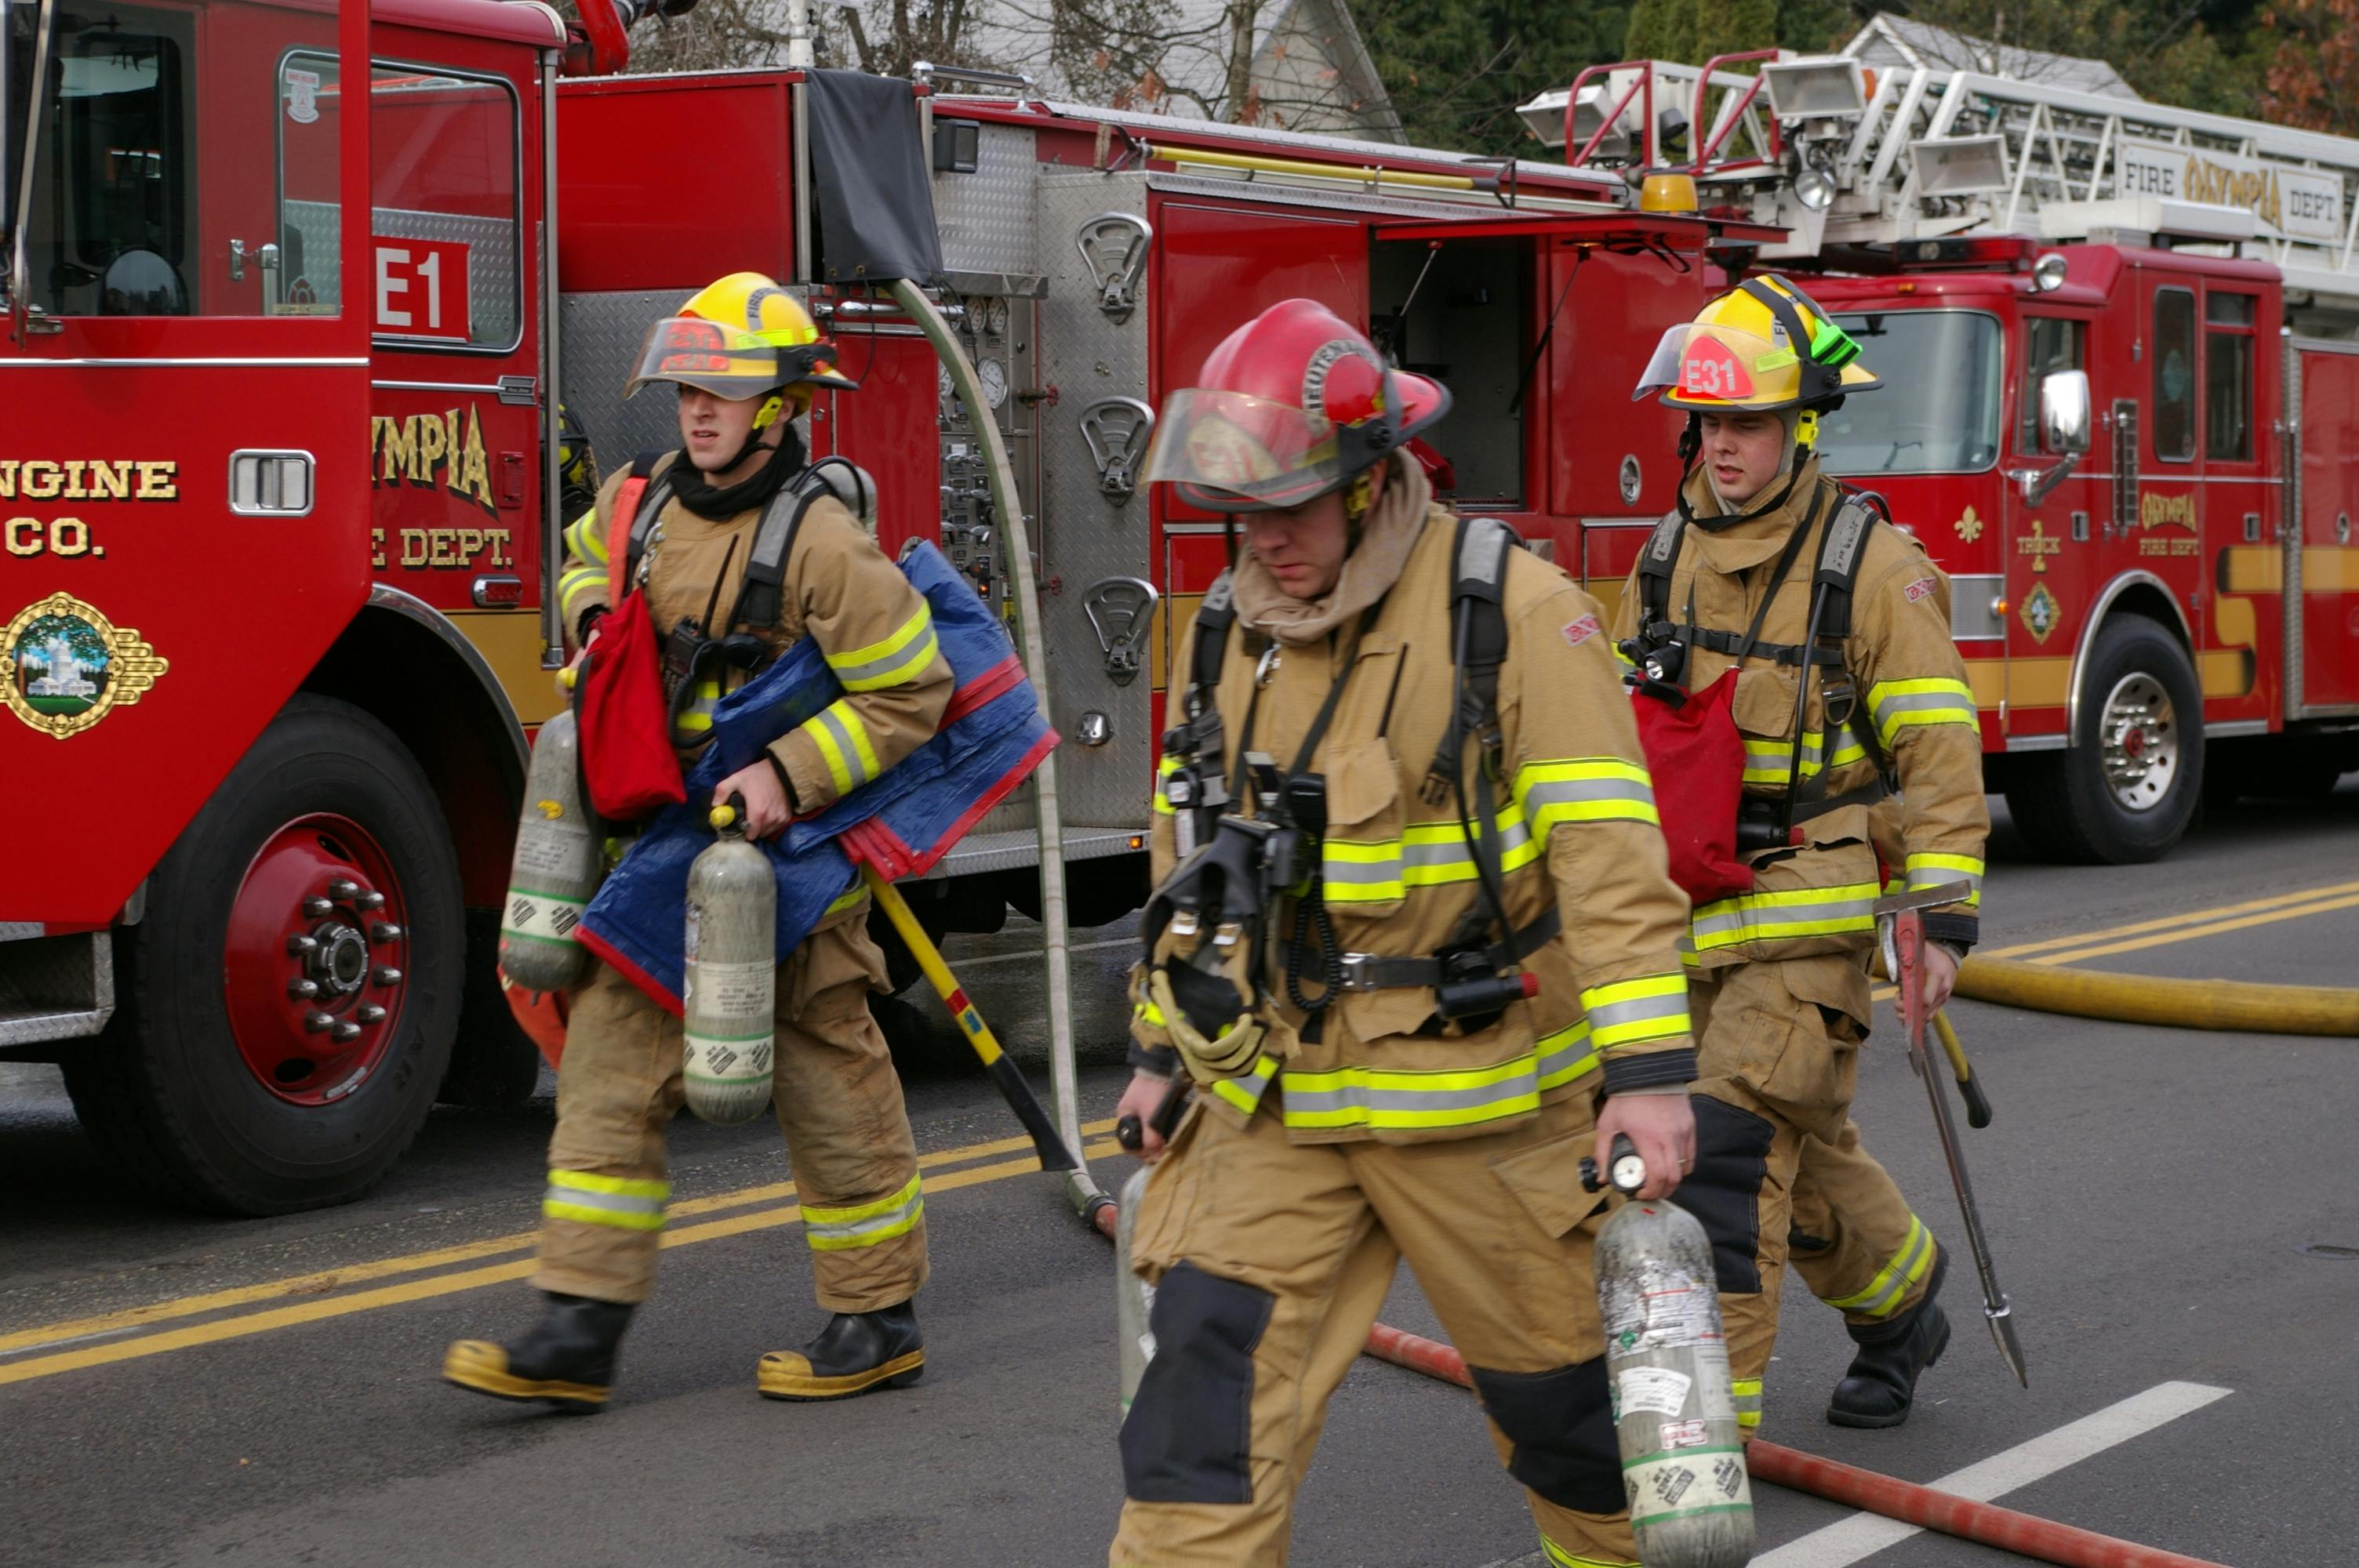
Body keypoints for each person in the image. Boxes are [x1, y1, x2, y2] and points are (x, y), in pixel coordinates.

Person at [1108, 297, 1700, 1568]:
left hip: (1476, 1110)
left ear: (1375, 475)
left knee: (1581, 1447)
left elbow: (1609, 860)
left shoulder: (1517, 615)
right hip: (1279, 1104)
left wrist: (1648, 1080)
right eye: (1243, 515)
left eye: (1295, 508)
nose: (1267, 543)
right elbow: (1195, 853)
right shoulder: (1228, 626)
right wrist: (1162, 1049)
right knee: (1194, 1437)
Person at [445, 272, 950, 1410]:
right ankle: (576, 1329)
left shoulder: (821, 540)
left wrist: (789, 772)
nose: (699, 410)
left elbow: (910, 690)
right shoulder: (645, 502)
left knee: (828, 1075)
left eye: (724, 391)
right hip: (666, 847)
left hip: (796, 863)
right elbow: (578, 554)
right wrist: (586, 611)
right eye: (687, 390)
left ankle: (878, 1318)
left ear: (779, 406)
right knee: (610, 1069)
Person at [1610, 275, 1989, 1436]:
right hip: (1687, 914)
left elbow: (1938, 746)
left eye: (1750, 424)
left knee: (1717, 1155)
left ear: (1801, 426)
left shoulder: (1872, 569)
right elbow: (1614, 734)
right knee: (1792, 1146)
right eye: (1709, 422)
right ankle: (1903, 1303)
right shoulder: (1664, 555)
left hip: (1810, 916)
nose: (1725, 447)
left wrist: (1944, 916)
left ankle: (1695, 1440)